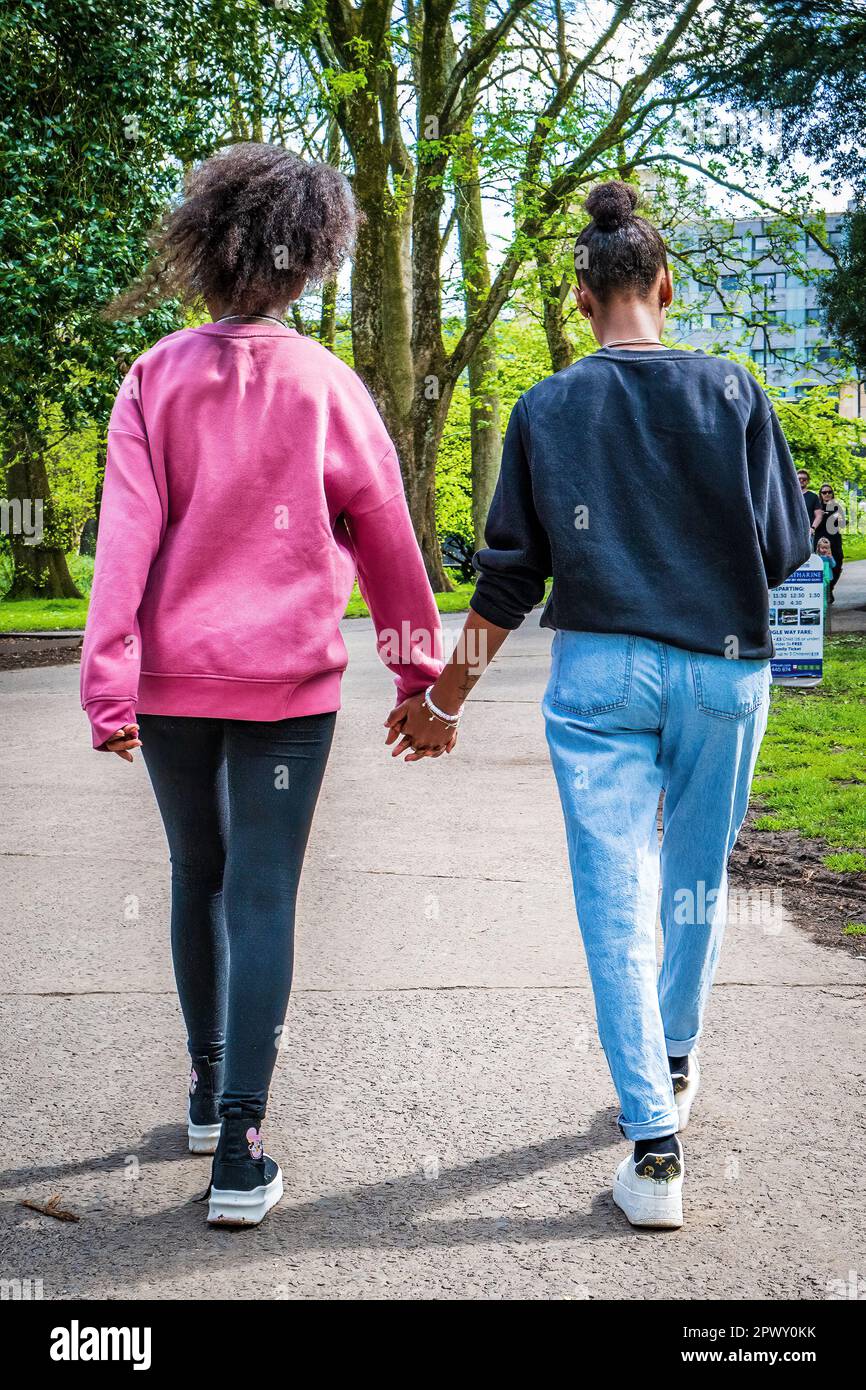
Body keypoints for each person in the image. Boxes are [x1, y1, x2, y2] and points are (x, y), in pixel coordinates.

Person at [387, 180, 812, 1230]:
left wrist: (444, 699)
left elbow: (507, 580)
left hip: (599, 677)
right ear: (663, 287)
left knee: (611, 902)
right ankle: (672, 1058)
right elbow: (780, 551)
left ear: (581, 299)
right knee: (692, 879)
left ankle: (654, 1151)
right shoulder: (734, 390)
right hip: (722, 670)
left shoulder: (546, 408)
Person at [81, 143, 443, 1228]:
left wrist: (109, 683)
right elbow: (386, 533)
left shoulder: (153, 375)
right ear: (309, 259)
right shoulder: (331, 387)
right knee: (264, 890)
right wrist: (417, 672)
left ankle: (204, 1091)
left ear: (209, 246)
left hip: (172, 680)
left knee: (197, 869)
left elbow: (125, 542)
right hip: (289, 685)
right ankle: (240, 1144)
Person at [813, 483, 844, 601]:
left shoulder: (837, 507)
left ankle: (830, 587)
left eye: (829, 492)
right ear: (820, 494)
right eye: (824, 492)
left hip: (835, 540)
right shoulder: (817, 507)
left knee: (837, 564)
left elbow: (842, 524)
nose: (827, 494)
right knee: (821, 565)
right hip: (820, 540)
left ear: (832, 494)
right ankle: (824, 591)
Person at [816, 536, 837, 616]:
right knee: (821, 593)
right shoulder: (817, 558)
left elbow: (833, 565)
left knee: (826, 594)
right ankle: (821, 607)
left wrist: (830, 558)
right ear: (818, 548)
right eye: (822, 548)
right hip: (819, 578)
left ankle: (824, 609)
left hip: (827, 578)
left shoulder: (828, 557)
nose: (824, 550)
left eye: (826, 548)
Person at [797, 469, 821, 535]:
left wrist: (813, 528)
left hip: (807, 533)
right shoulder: (789, 495)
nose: (801, 481)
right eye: (799, 479)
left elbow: (819, 515)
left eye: (804, 479)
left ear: (808, 481)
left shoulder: (813, 497)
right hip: (791, 532)